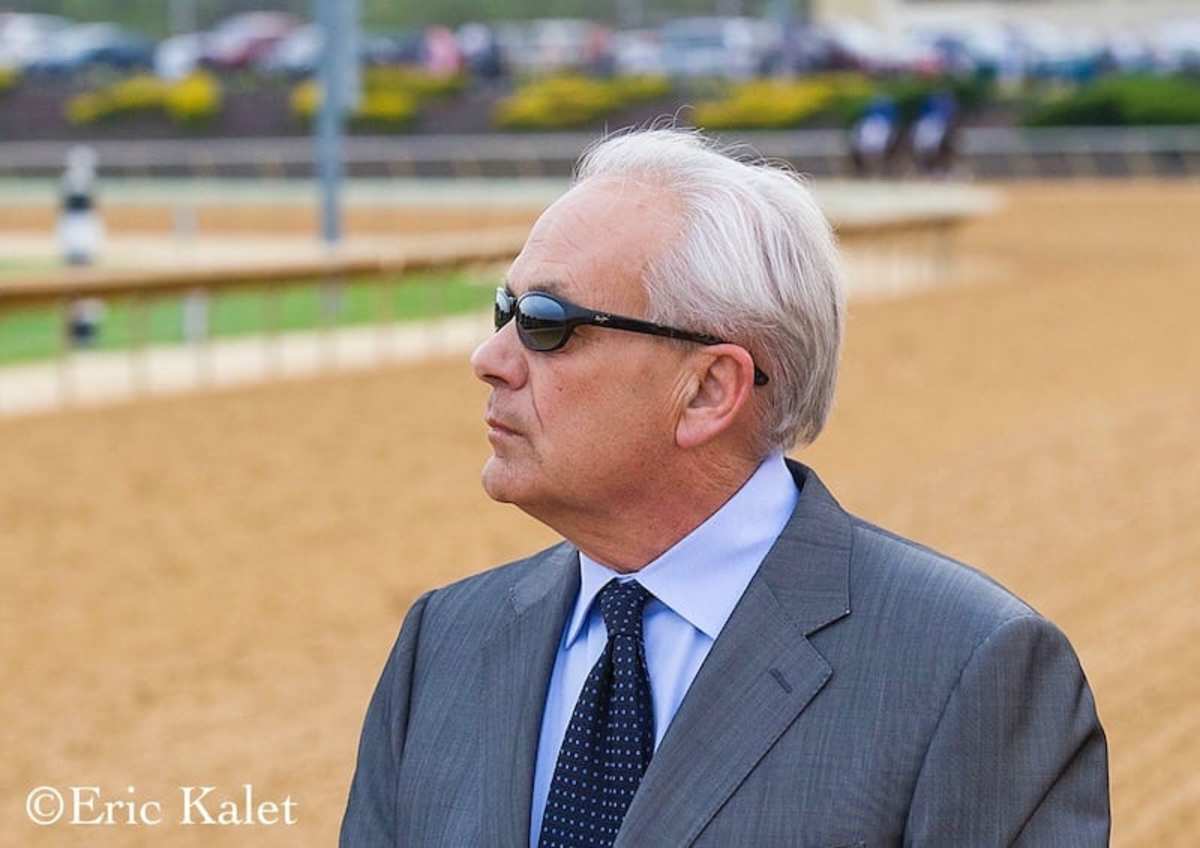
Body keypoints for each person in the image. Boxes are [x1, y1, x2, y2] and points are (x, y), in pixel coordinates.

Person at [340, 129, 1109, 847]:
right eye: (503, 310)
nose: (490, 356)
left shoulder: (970, 668)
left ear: (709, 390)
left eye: (546, 323)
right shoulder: (442, 641)